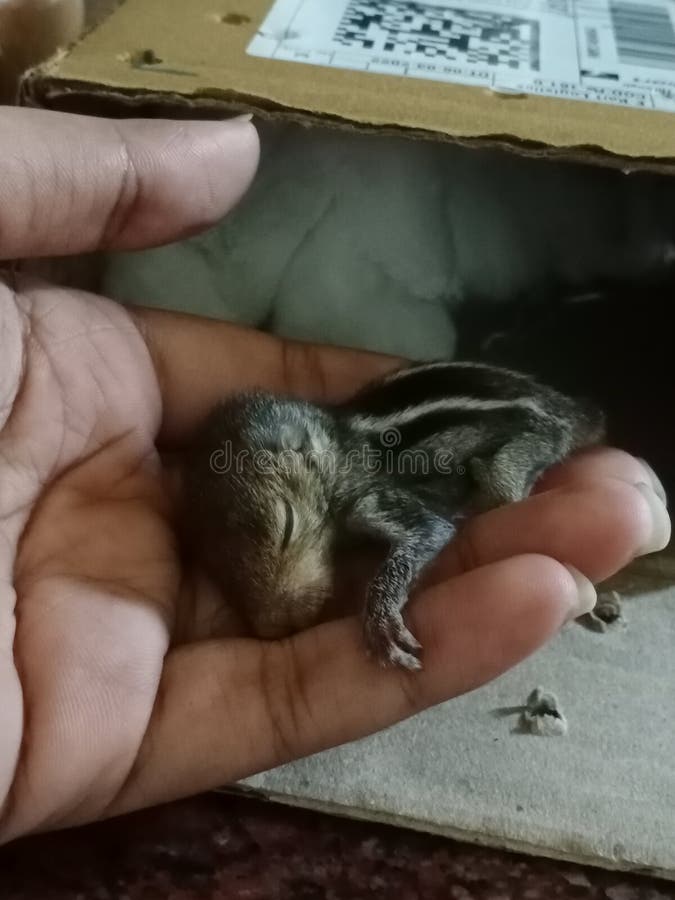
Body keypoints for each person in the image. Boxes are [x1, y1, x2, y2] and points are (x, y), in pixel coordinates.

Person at [0, 107, 668, 844]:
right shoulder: (300, 468)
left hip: (526, 425)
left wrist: (384, 598)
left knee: (507, 506)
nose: (276, 610)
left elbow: (430, 527)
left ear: (309, 466)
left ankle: (584, 576)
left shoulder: (355, 478)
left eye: (287, 529)